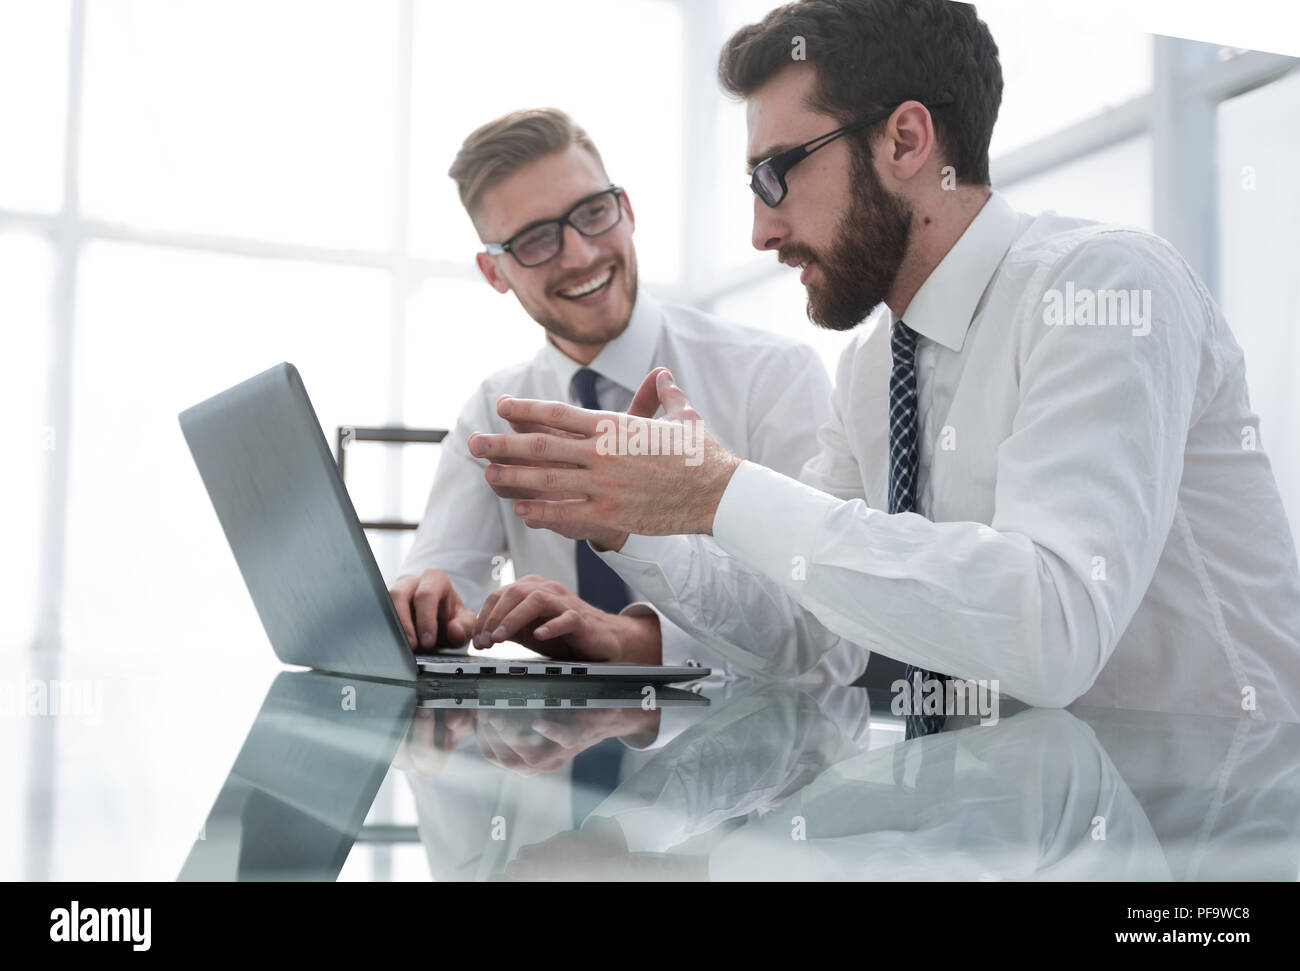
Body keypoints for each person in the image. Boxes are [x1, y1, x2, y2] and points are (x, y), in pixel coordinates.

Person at [470, 0, 1300, 722]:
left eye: (775, 176)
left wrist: (719, 489)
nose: (761, 231)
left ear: (906, 140)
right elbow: (802, 632)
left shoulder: (1107, 287)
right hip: (1024, 826)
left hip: (1214, 832)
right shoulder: (874, 368)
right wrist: (643, 526)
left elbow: (1054, 629)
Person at [390, 107, 864, 683]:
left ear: (627, 210)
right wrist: (428, 607)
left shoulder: (773, 375)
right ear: (495, 273)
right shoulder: (492, 413)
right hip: (553, 761)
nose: (582, 254)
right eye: (536, 239)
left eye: (593, 212)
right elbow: (445, 591)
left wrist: (637, 642)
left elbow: (839, 646)